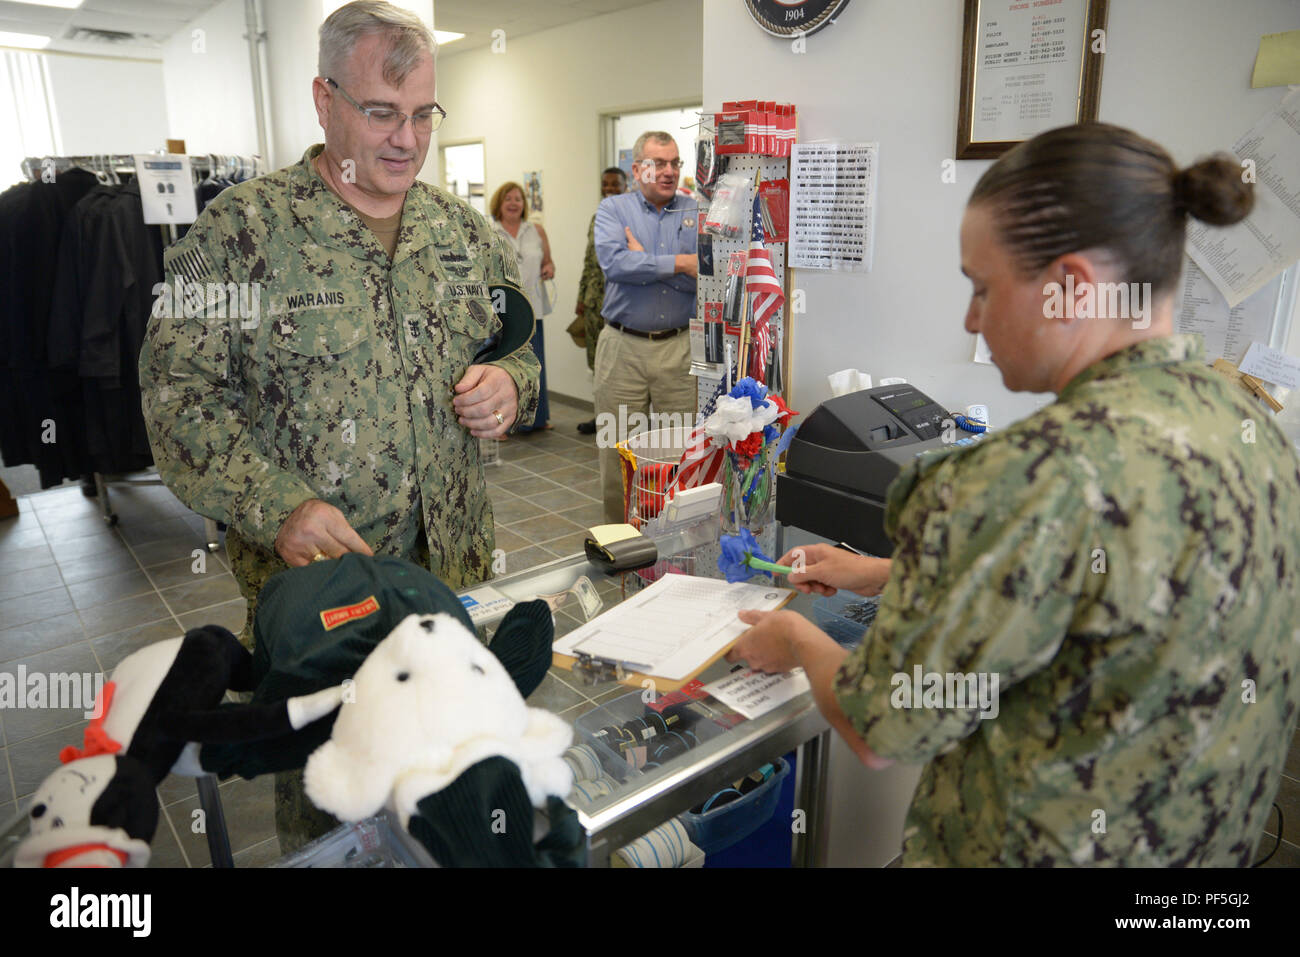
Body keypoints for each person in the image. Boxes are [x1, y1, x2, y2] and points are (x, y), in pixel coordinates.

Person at [729, 123, 1300, 867]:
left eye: (982, 287)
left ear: (1072, 286)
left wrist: (796, 641)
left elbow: (883, 730)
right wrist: (877, 571)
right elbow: (1105, 590)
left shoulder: (1026, 475)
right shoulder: (1248, 424)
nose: (972, 318)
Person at [138, 0, 539, 852]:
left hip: (455, 586)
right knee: (342, 819)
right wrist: (279, 504)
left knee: (462, 802)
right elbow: (175, 396)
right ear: (324, 102)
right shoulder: (241, 235)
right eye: (380, 113)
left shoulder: (466, 237)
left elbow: (520, 346)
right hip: (330, 613)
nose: (406, 139)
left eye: (423, 114)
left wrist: (510, 383)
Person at [593, 132, 698, 523]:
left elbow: (705, 276)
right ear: (638, 169)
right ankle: (620, 543)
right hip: (623, 348)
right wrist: (679, 263)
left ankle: (676, 541)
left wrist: (649, 262)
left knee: (680, 450)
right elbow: (615, 265)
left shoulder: (694, 211)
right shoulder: (613, 210)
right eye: (659, 163)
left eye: (675, 163)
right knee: (616, 449)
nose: (669, 171)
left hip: (680, 348)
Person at [491, 181, 554, 431]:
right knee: (503, 365)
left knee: (535, 362)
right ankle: (502, 424)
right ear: (499, 203)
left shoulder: (536, 230)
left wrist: (549, 269)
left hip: (533, 308)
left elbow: (549, 263)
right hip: (502, 310)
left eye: (518, 199)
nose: (514, 203)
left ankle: (538, 419)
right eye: (508, 199)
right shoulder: (489, 229)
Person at [573, 167, 627, 435]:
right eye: (605, 184)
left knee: (621, 366)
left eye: (615, 184)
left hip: (620, 305)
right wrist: (581, 297)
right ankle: (601, 417)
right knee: (597, 364)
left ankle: (622, 421)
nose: (609, 188)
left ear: (625, 186)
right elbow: (589, 260)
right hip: (594, 304)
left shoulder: (633, 219)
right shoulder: (598, 218)